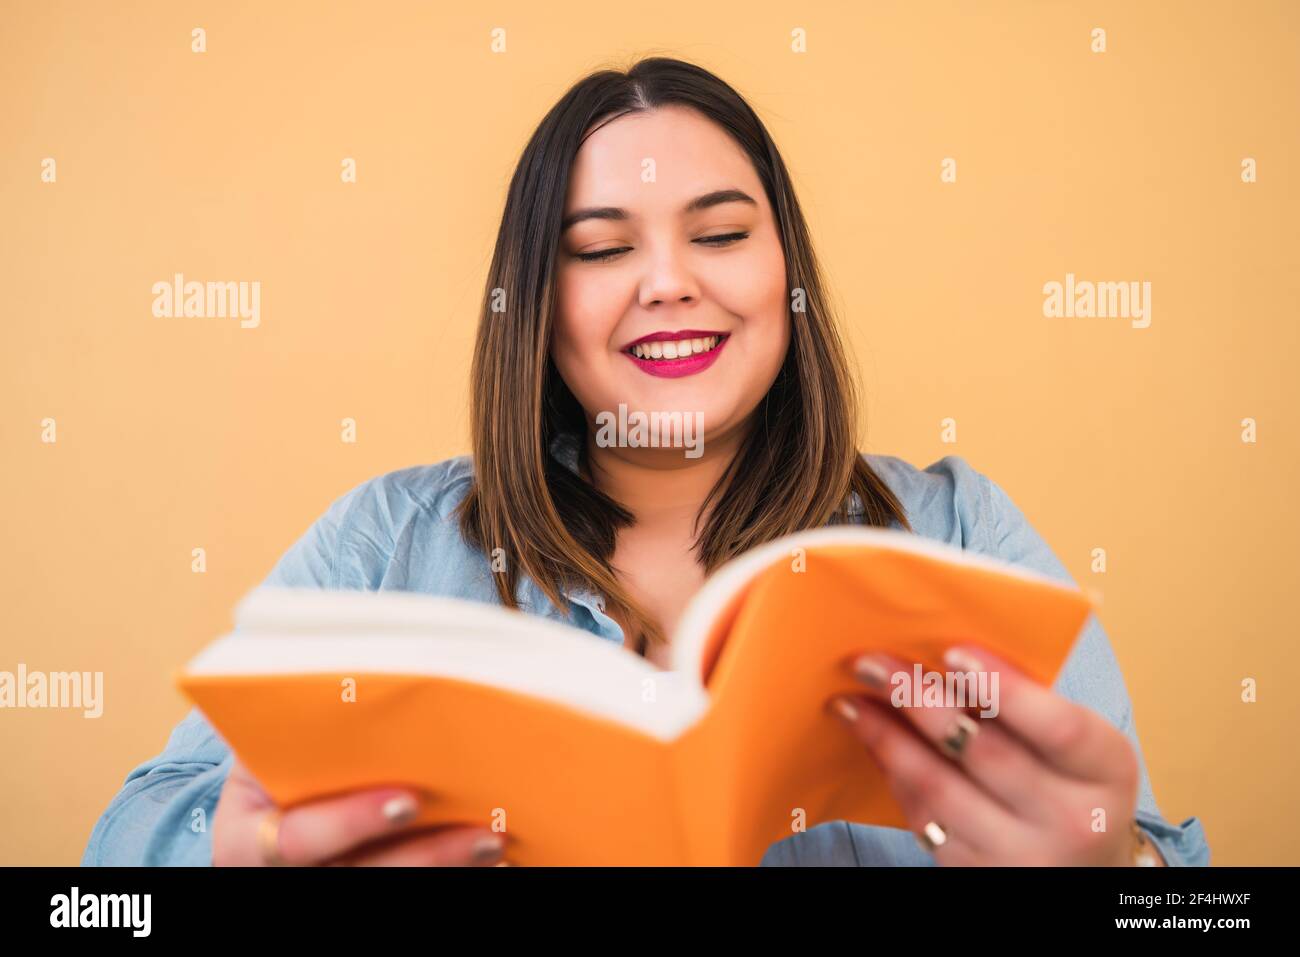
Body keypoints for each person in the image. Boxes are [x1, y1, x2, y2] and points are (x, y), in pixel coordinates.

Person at [82, 57, 1209, 867]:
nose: (666, 281)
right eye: (601, 248)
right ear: (536, 305)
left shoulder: (957, 528)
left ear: (787, 277)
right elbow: (102, 884)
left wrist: (1120, 880)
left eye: (719, 234)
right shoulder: (386, 541)